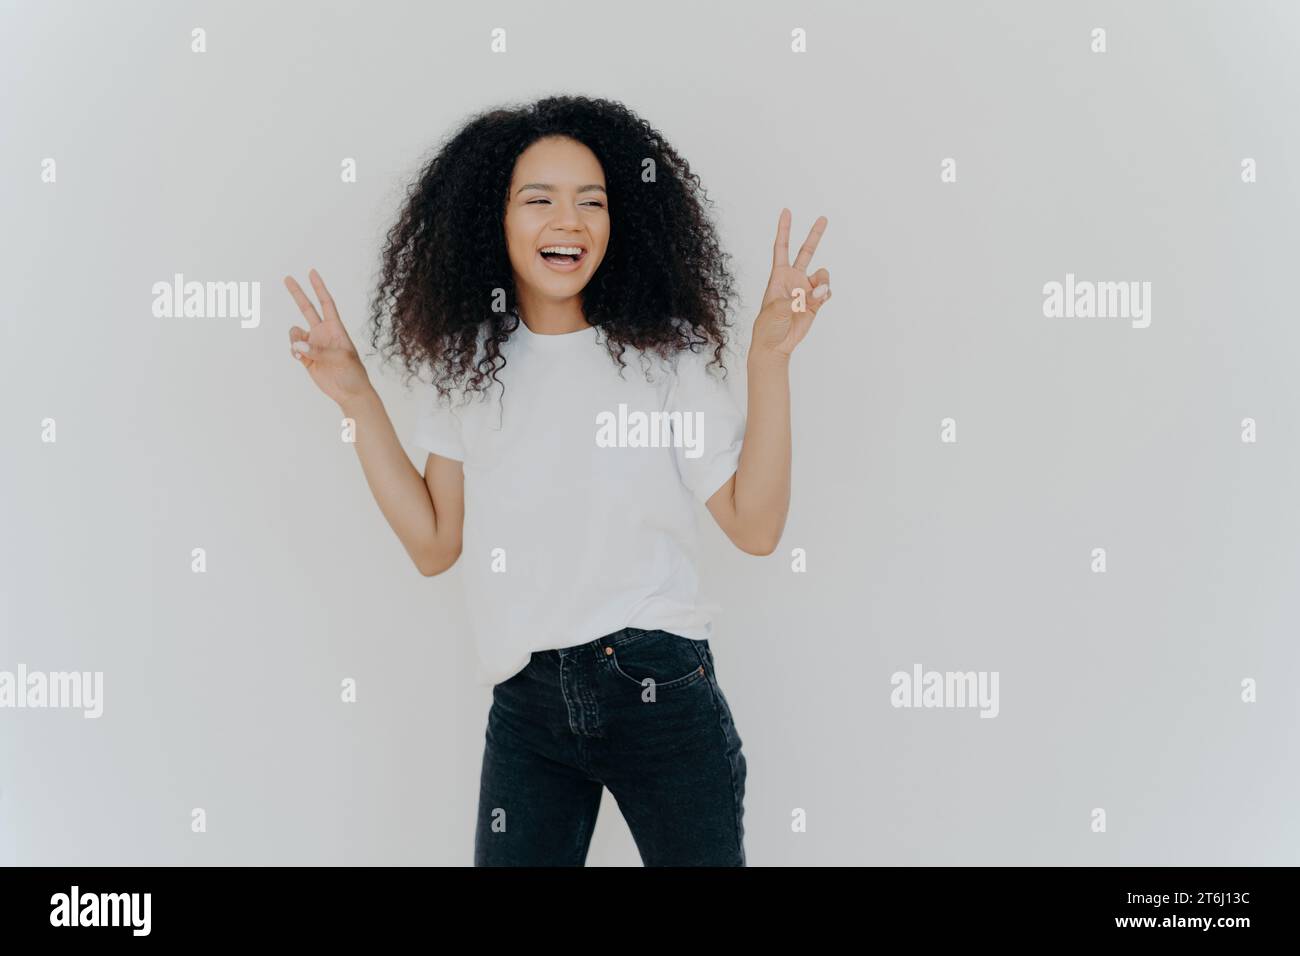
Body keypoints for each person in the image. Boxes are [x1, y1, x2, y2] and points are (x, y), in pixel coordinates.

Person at [283, 95, 832, 866]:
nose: (568, 221)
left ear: (620, 222)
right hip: (528, 702)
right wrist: (355, 395)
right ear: (492, 220)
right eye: (538, 200)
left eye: (592, 202)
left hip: (656, 683)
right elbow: (436, 543)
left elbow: (756, 526)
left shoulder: (664, 358)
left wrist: (768, 361)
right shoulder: (467, 366)